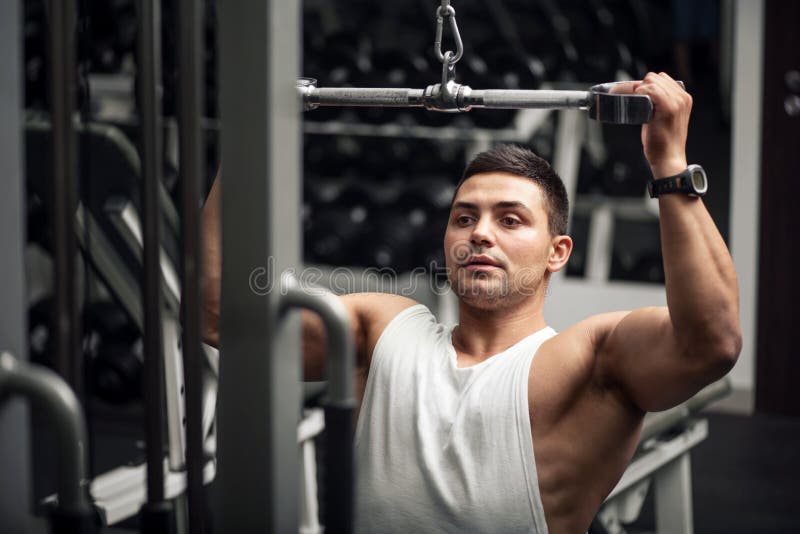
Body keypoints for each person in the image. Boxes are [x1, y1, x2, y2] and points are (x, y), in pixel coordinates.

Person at [201, 72, 741, 533]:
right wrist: (247, 138)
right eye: (464, 217)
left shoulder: (588, 360)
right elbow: (219, 313)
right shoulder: (381, 328)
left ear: (558, 252)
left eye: (510, 220)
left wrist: (670, 162)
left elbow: (711, 345)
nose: (480, 233)